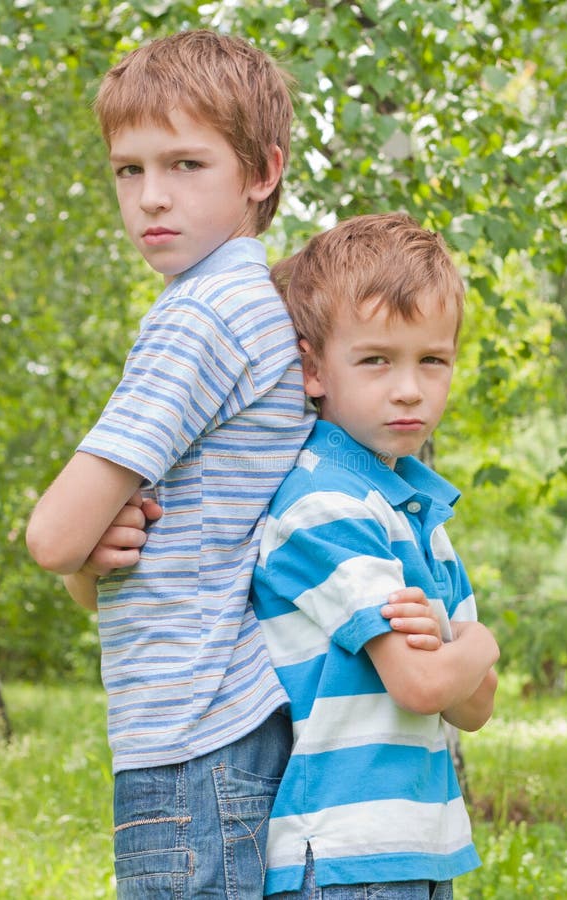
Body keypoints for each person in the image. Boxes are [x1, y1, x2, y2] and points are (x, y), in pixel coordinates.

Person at [25, 29, 319, 899]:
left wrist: (75, 542)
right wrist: (92, 552)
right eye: (129, 169)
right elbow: (99, 563)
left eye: (186, 165)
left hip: (194, 732)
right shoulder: (248, 300)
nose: (152, 197)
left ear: (261, 172)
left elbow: (51, 538)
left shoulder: (201, 320)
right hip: (224, 723)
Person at [249, 213, 500, 899]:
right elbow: (424, 687)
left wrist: (460, 655)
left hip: (421, 845)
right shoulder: (322, 503)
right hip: (341, 851)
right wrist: (478, 640)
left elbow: (473, 708)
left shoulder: (416, 512)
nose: (410, 388)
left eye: (432, 360)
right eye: (376, 360)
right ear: (312, 369)